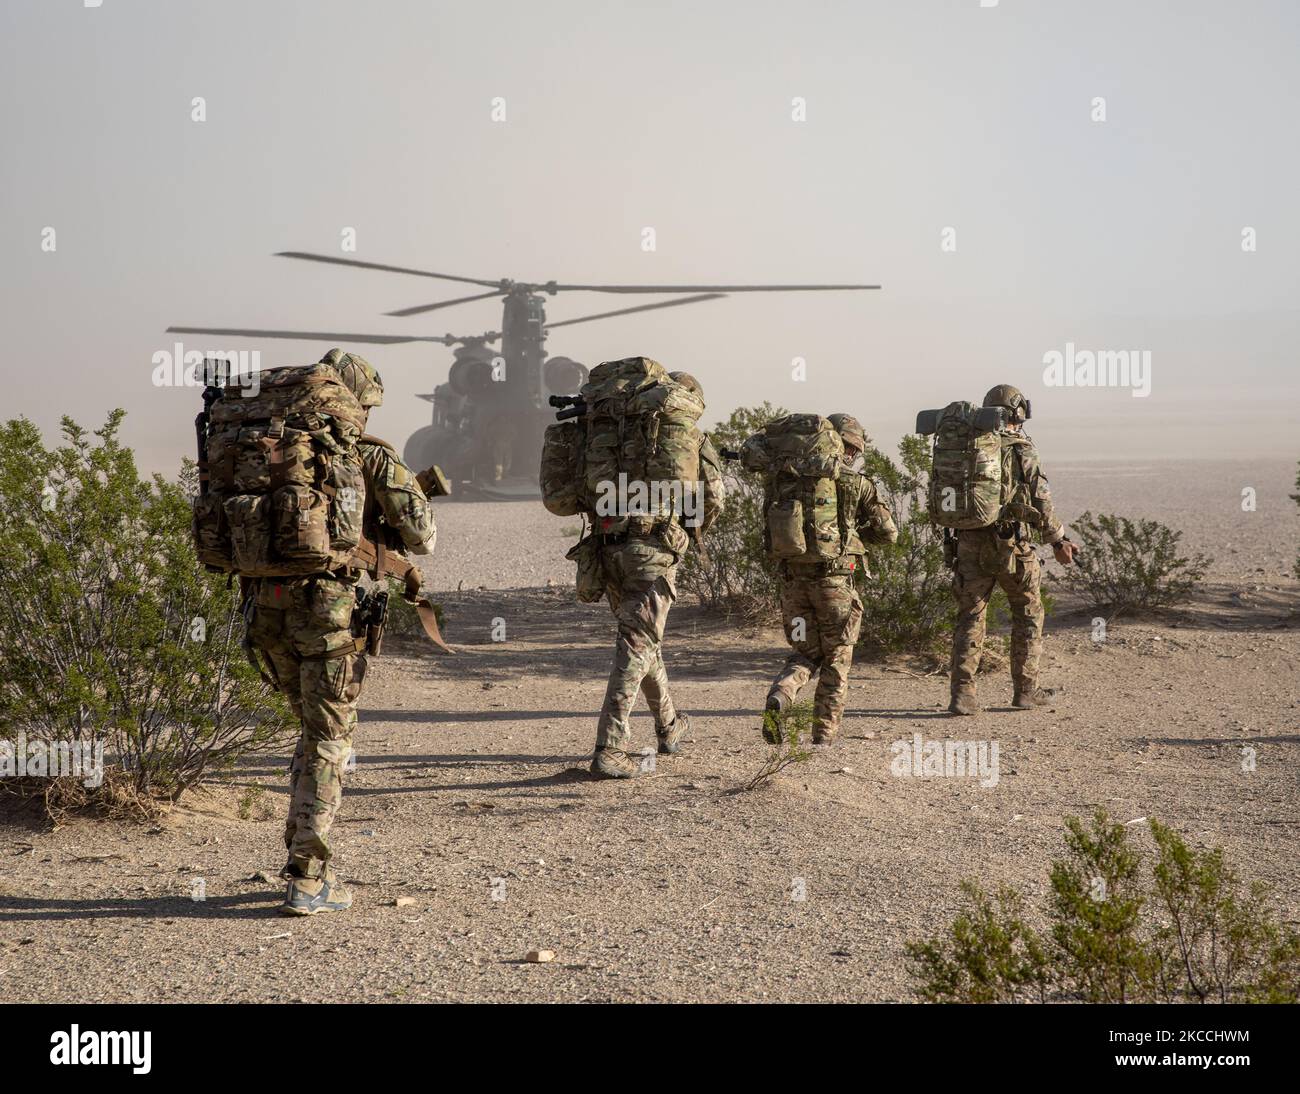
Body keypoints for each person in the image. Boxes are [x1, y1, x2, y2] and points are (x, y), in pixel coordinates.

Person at [245, 349, 436, 914]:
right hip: (328, 612)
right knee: (329, 738)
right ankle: (307, 876)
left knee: (310, 729)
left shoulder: (266, 446)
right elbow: (423, 536)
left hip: (263, 609)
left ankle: (301, 846)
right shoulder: (366, 454)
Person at [588, 368, 724, 779]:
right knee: (636, 644)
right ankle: (609, 748)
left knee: (646, 642)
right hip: (652, 551)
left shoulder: (608, 429)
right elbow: (712, 498)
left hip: (605, 547)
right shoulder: (688, 437)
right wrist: (684, 525)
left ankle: (668, 727)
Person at [765, 413, 897, 746]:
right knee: (837, 658)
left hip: (793, 583)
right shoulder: (857, 483)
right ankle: (823, 736)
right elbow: (889, 533)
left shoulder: (782, 479)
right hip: (835, 585)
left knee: (804, 652)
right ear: (847, 448)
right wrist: (855, 534)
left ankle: (782, 692)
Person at [948, 384, 1076, 716]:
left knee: (970, 617)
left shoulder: (965, 446)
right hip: (1011, 546)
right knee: (1028, 613)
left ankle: (963, 695)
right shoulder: (1020, 448)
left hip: (967, 542)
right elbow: (1040, 499)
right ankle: (1026, 691)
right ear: (1018, 413)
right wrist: (1058, 541)